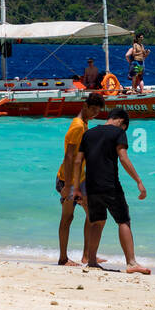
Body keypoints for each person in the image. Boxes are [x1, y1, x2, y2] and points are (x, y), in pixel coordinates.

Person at [71, 108, 150, 273]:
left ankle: (91, 261)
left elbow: (78, 162)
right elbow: (123, 157)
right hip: (110, 185)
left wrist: (77, 188)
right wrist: (139, 181)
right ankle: (131, 263)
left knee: (97, 222)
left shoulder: (89, 133)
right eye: (124, 128)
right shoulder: (117, 132)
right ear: (121, 122)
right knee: (123, 221)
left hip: (91, 186)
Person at [55, 93, 105, 266]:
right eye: (92, 110)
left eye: (97, 112)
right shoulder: (77, 126)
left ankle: (87, 255)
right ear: (85, 106)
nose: (94, 114)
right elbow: (69, 156)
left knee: (92, 215)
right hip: (70, 180)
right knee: (68, 218)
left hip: (80, 179)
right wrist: (68, 185)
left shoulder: (84, 123)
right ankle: (63, 258)